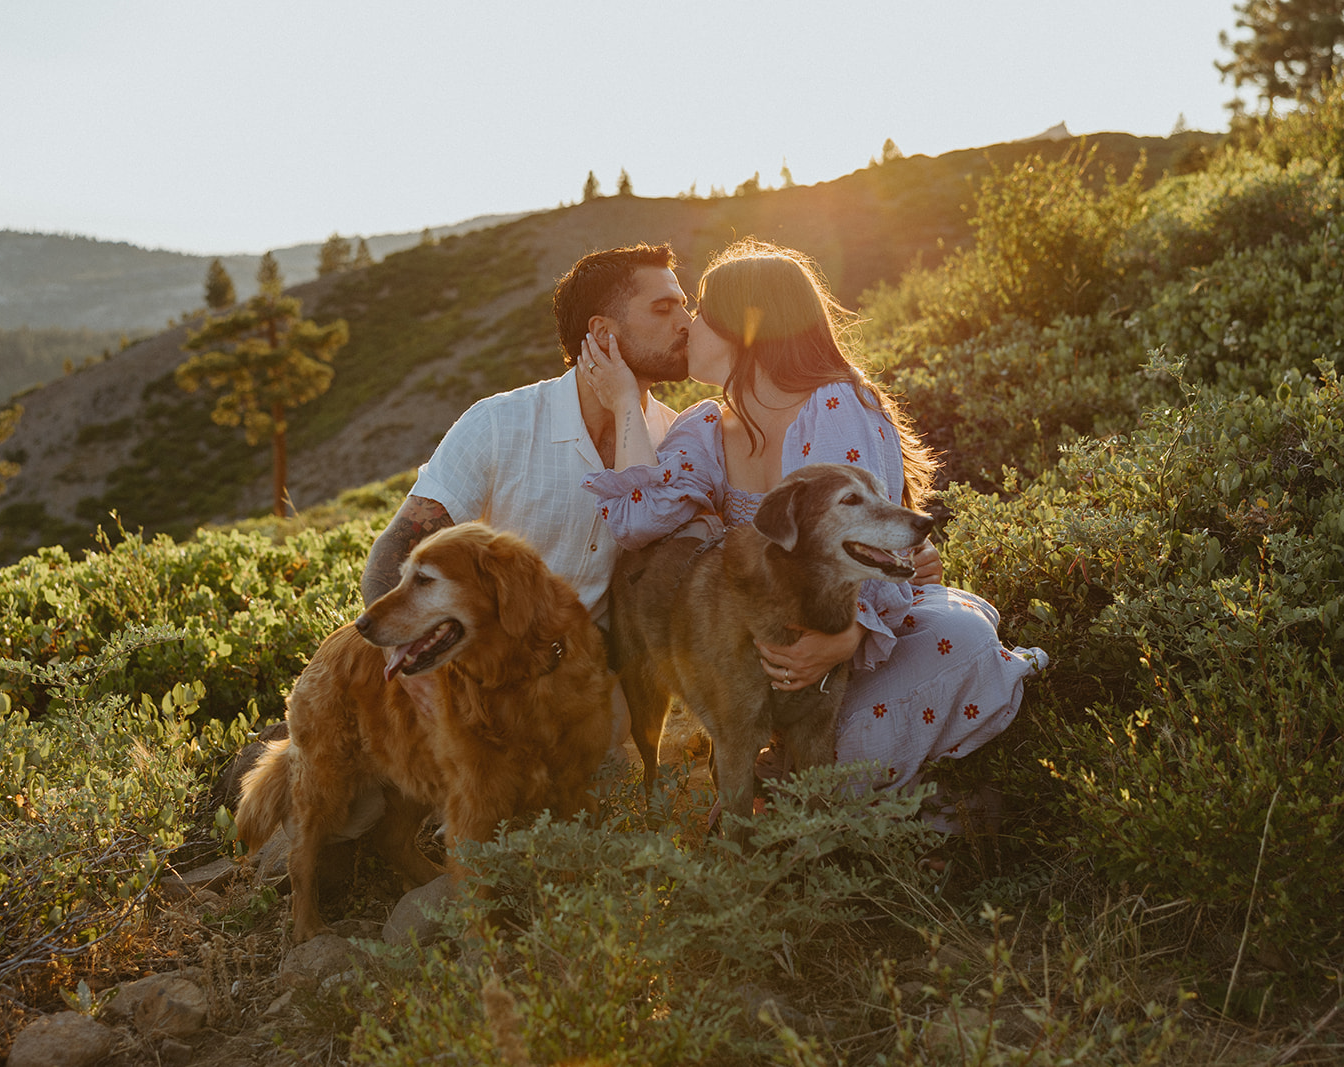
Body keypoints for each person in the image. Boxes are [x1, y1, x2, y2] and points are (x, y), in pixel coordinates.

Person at [581, 239, 1046, 816]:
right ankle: (817, 784)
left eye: (701, 312)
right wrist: (627, 401)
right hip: (763, 652)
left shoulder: (833, 406)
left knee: (961, 641)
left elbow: (863, 548)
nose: (688, 327)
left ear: (743, 330)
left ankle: (816, 787)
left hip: (857, 630)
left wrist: (843, 640)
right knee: (795, 734)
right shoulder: (705, 427)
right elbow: (640, 523)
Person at [360, 243, 691, 742]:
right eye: (664, 309)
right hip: (477, 668)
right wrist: (412, 667)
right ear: (602, 333)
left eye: (684, 305)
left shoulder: (676, 440)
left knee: (613, 775)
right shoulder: (498, 424)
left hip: (583, 678)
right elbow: (397, 549)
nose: (686, 321)